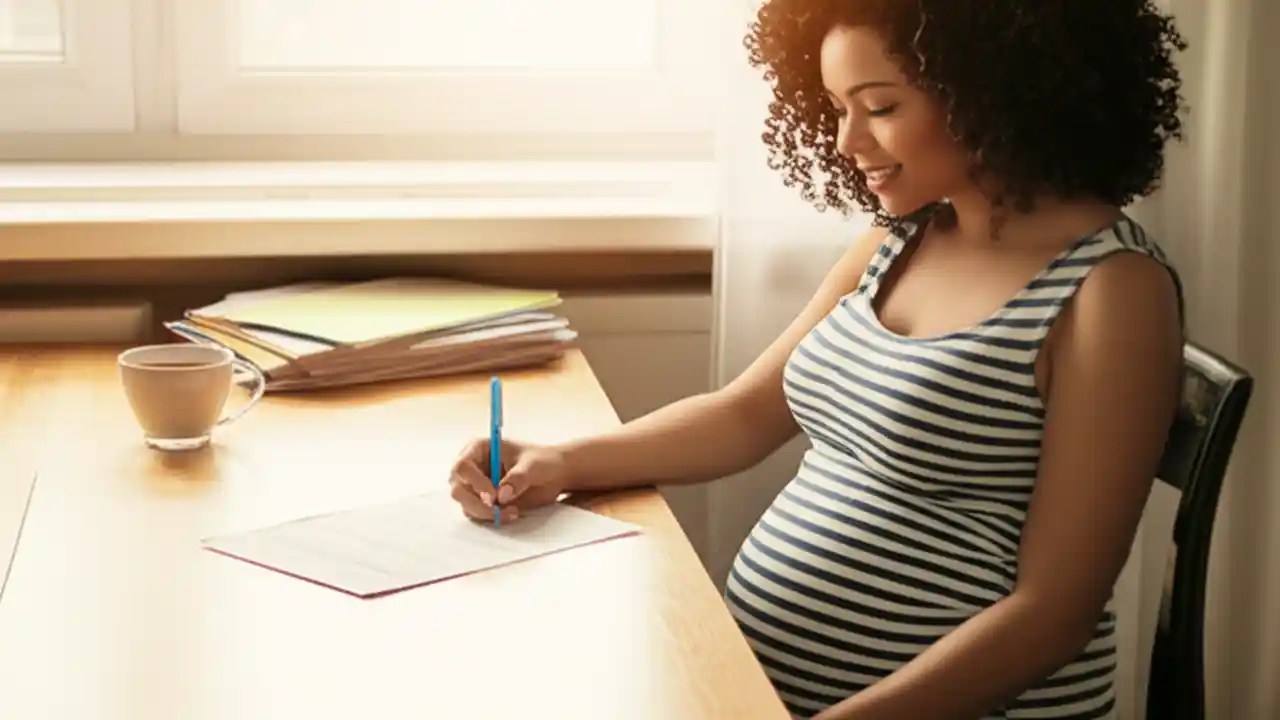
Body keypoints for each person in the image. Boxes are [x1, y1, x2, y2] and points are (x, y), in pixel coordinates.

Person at [448, 1, 1187, 717]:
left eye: (880, 107)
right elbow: (744, 416)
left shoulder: (1111, 291)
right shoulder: (899, 244)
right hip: (759, 692)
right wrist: (560, 462)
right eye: (836, 106)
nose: (845, 142)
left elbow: (1053, 615)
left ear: (993, 87)